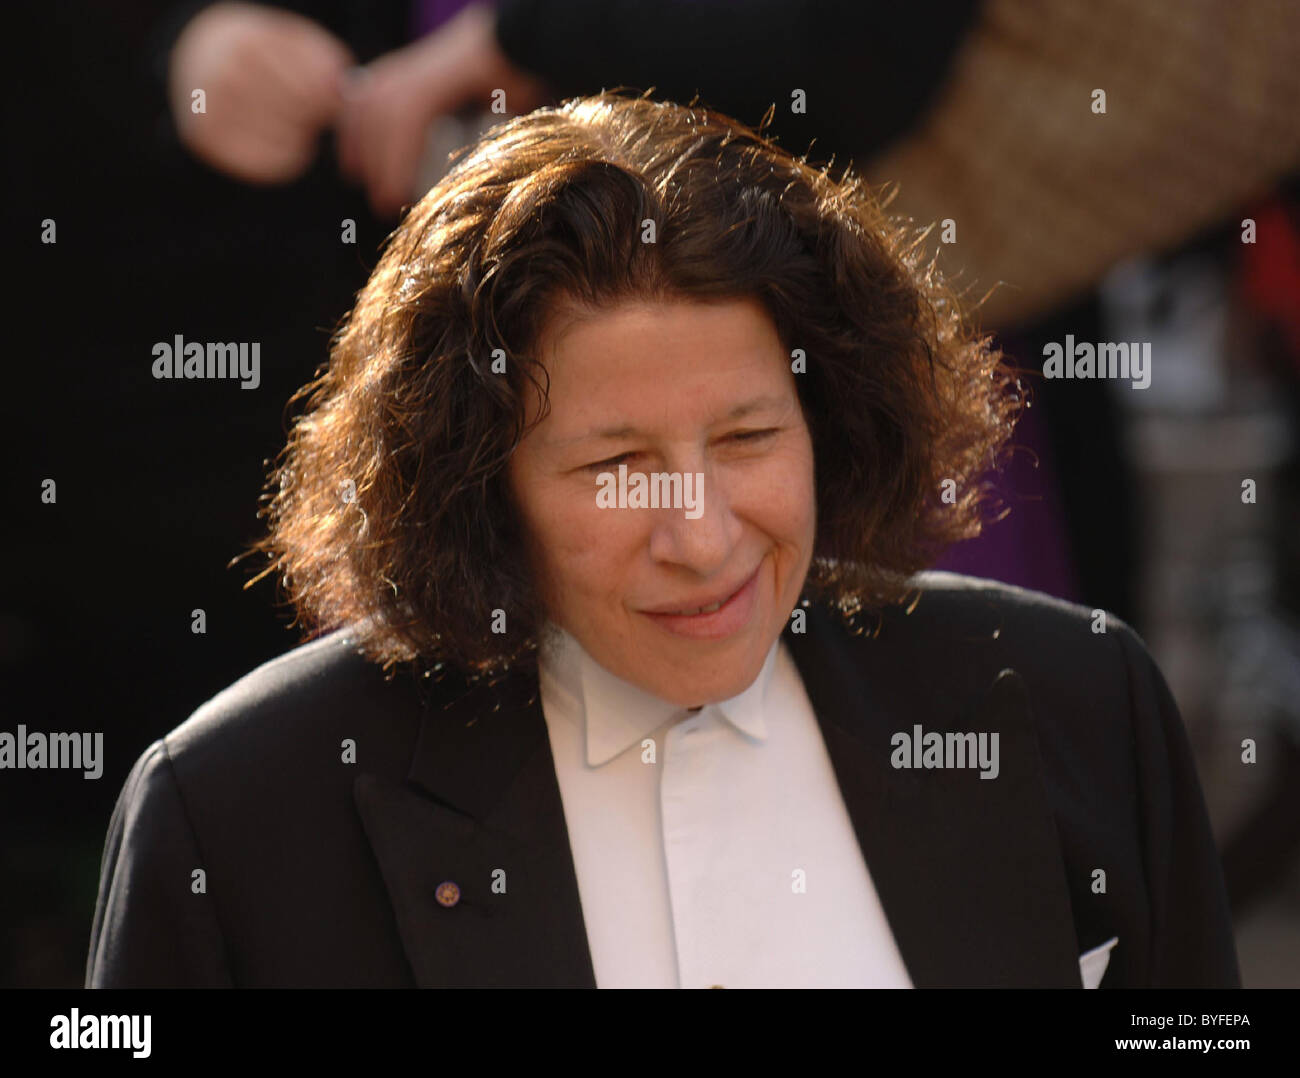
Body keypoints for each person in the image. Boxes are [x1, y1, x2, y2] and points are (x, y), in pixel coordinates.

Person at [85, 90, 1239, 988]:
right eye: (614, 466)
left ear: (827, 421)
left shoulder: (1074, 699)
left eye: (745, 437)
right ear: (476, 483)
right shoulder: (240, 810)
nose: (699, 537)